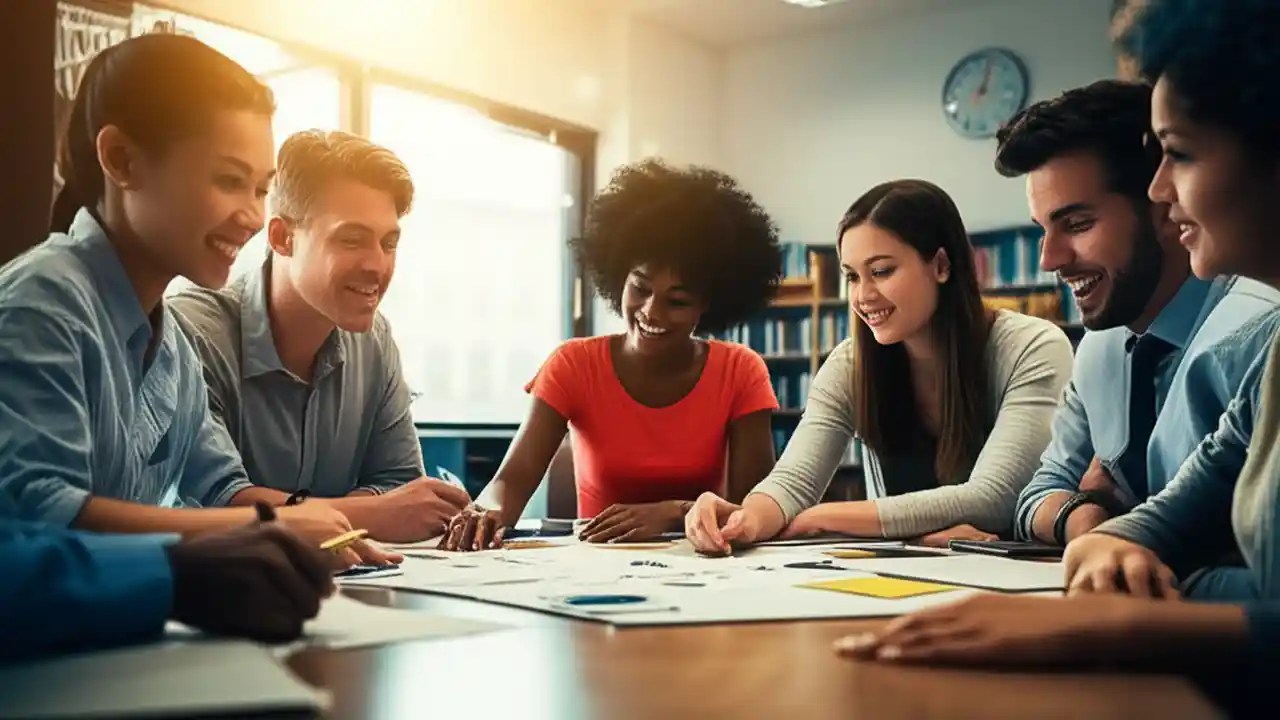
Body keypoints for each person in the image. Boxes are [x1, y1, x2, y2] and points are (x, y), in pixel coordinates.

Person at [836, 3, 1280, 711]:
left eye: (1182, 154)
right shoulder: (1123, 346)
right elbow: (1076, 509)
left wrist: (1127, 607)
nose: (1164, 190)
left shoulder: (1250, 333)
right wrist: (1098, 531)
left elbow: (1210, 571)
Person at [0, 34, 395, 567]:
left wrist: (305, 524)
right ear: (122, 160)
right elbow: (37, 518)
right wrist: (271, 524)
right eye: (229, 181)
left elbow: (220, 486)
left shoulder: (169, 346)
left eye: (260, 189)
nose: (254, 217)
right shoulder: (44, 301)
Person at [686, 179, 1074, 554]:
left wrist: (821, 518)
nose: (863, 295)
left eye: (882, 271)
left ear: (941, 265)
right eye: (852, 276)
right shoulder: (849, 365)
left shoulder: (1032, 348)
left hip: (1016, 583)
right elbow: (793, 482)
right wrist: (746, 518)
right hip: (906, 579)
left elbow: (994, 499)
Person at [438, 159, 782, 550]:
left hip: (706, 562)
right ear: (619, 276)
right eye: (640, 288)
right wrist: (485, 512)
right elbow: (508, 484)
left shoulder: (740, 370)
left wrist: (673, 511)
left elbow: (752, 513)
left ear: (708, 304)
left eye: (678, 300)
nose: (651, 311)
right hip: (597, 568)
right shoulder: (573, 364)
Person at [1000, 80, 1278, 547]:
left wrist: (1120, 542)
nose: (1049, 259)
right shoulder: (1102, 346)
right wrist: (1088, 522)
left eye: (1077, 225)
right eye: (1043, 230)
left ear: (1165, 209)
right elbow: (1036, 496)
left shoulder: (1251, 333)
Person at [169, 130, 469, 543]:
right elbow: (215, 501)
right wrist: (373, 515)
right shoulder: (191, 331)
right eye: (352, 239)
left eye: (389, 243)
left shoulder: (374, 339)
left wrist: (356, 518)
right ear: (282, 238)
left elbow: (396, 480)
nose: (378, 266)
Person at [2, 508, 332, 662]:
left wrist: (173, 556)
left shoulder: (181, 370)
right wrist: (169, 566)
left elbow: (16, 528)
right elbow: (44, 505)